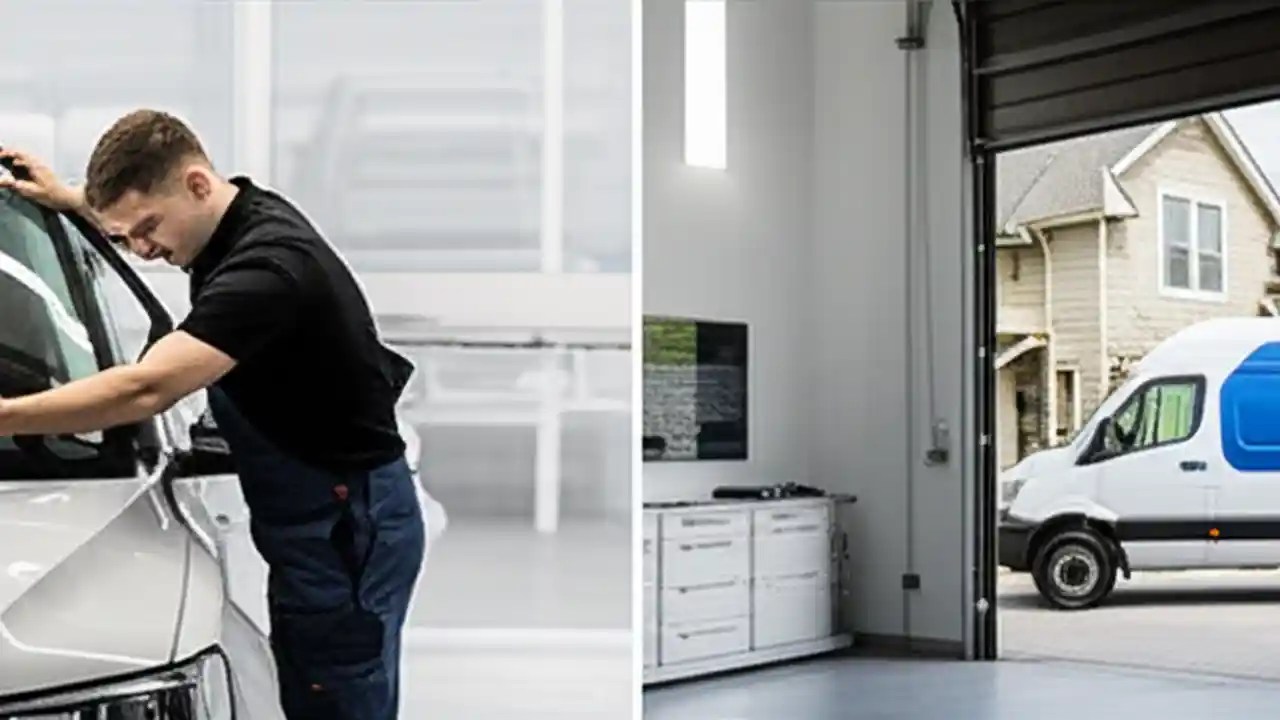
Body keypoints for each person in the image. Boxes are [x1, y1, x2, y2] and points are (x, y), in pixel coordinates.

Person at [0, 109, 425, 720]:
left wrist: (8, 415)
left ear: (198, 184)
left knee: (337, 692)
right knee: (317, 679)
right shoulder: (234, 216)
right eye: (125, 236)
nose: (142, 250)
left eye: (146, 228)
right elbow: (147, 210)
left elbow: (144, 389)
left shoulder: (268, 272)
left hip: (343, 524)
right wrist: (67, 201)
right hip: (325, 517)